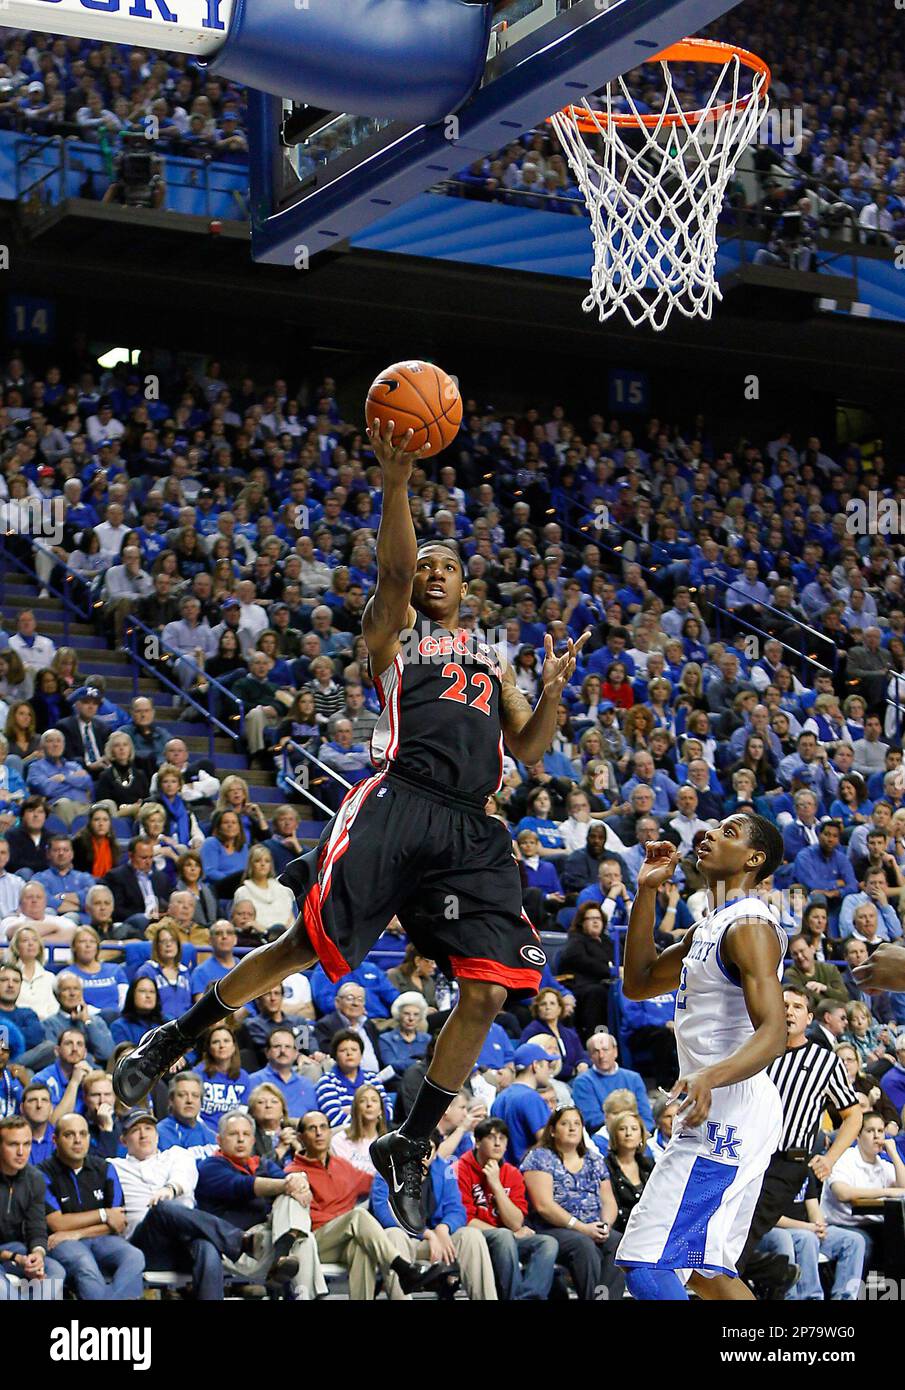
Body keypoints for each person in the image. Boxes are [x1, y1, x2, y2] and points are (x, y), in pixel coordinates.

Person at [114, 420, 588, 1236]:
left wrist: (549, 689)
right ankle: (178, 1033)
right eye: (427, 566)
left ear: (467, 586)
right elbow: (395, 568)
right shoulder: (395, 633)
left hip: (474, 830)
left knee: (487, 991)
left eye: (448, 567)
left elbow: (531, 749)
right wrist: (397, 484)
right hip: (398, 801)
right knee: (304, 944)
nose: (433, 573)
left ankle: (408, 1139)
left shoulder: (490, 655)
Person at [614, 812, 787, 1301]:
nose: (709, 834)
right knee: (704, 1272)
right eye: (712, 828)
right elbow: (640, 981)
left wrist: (710, 1075)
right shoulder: (710, 926)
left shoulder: (750, 926)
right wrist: (646, 891)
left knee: (647, 1262)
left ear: (753, 860)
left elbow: (774, 1033)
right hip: (722, 1103)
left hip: (727, 1108)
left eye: (729, 832)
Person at [283, 1110, 448, 1298]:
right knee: (358, 1216)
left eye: (323, 1127)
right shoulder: (294, 1173)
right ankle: (404, 1269)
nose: (319, 1133)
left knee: (361, 1248)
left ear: (330, 1132)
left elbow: (381, 1181)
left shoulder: (343, 1167)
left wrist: (403, 1167)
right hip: (313, 1241)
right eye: (312, 1129)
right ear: (301, 1137)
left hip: (346, 1239)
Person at [110, 1108, 251, 1301]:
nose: (143, 1134)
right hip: (145, 1246)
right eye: (135, 1130)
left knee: (206, 1246)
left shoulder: (177, 1155)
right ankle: (238, 1240)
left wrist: (170, 1189)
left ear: (157, 1135)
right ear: (123, 1140)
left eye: (149, 1128)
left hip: (185, 1243)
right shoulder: (114, 1166)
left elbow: (184, 1176)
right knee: (162, 1208)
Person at [195, 1110, 321, 1299]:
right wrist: (291, 1183)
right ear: (219, 1140)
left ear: (253, 1141)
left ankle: (285, 1260)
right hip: (237, 1248)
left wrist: (300, 1182)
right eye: (233, 1134)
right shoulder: (210, 1167)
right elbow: (244, 1186)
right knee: (291, 1199)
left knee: (298, 1222)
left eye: (245, 1134)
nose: (240, 1140)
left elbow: (296, 1189)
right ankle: (288, 1270)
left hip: (268, 1241)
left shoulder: (262, 1164)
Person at [372, 1129, 498, 1300]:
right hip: (406, 1242)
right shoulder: (388, 1170)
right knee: (393, 1235)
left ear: (437, 1152)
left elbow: (457, 1209)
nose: (422, 1154)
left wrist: (444, 1228)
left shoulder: (443, 1170)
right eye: (417, 1147)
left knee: (471, 1236)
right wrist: (425, 1234)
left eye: (428, 1148)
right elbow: (384, 1213)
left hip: (439, 1243)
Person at [521, 1104, 625, 1300]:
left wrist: (604, 1226)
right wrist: (582, 1228)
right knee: (583, 1244)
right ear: (552, 1130)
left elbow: (608, 1200)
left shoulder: (594, 1159)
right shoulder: (540, 1157)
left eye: (577, 1123)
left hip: (592, 1228)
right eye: (565, 1123)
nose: (572, 1128)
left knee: (617, 1242)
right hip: (552, 1229)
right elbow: (544, 1205)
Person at [39, 1111, 146, 1299]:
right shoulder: (42, 1173)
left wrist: (77, 1232)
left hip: (96, 1239)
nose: (77, 1140)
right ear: (55, 1140)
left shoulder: (105, 1168)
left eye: (82, 1134)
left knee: (134, 1256)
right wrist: (104, 1214)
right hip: (60, 1243)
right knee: (84, 1263)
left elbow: (119, 1223)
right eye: (69, 1135)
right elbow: (57, 1224)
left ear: (89, 1137)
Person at [820, 1111, 905, 1266]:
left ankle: (894, 1288)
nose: (876, 1136)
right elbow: (842, 1192)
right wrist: (886, 1192)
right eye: (870, 1131)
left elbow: (903, 1188)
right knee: (864, 1243)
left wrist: (894, 1154)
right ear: (858, 1136)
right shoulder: (844, 1159)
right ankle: (855, 1289)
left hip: (876, 1225)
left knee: (899, 1241)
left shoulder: (883, 1164)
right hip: (842, 1226)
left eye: (880, 1131)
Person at [0, 1114, 66, 1299]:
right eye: (13, 1145)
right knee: (3, 1289)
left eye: (27, 1144)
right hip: (9, 1254)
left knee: (55, 1273)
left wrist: (37, 1254)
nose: (21, 1152)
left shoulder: (34, 1178)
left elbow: (36, 1227)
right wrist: (14, 1258)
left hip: (17, 1249)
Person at [571, 1031, 653, 1132]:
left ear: (615, 1051)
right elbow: (592, 1120)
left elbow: (647, 1118)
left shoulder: (634, 1078)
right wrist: (625, 1130)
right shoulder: (583, 1082)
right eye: (596, 1051)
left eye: (605, 1050)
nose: (601, 1055)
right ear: (590, 1056)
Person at [490, 1043, 553, 1165]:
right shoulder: (531, 1098)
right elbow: (547, 1142)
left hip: (504, 1175)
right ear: (535, 1065)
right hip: (528, 1175)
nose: (549, 1070)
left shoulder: (500, 1098)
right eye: (547, 1065)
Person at [315, 1030, 392, 1127]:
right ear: (335, 1056)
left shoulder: (372, 1079)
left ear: (361, 1054)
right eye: (343, 1050)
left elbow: (388, 1112)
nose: (349, 1054)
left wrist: (351, 1111)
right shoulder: (327, 1081)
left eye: (354, 1050)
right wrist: (370, 1117)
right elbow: (334, 1119)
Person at [518, 986, 585, 1081]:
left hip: (574, 1078)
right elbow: (529, 1059)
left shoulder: (568, 1033)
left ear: (560, 1008)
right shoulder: (532, 1031)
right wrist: (571, 1071)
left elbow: (581, 1054)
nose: (547, 1007)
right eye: (543, 1004)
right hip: (547, 1080)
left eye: (552, 1003)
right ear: (537, 1009)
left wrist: (582, 1063)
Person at [247, 1028, 317, 1118]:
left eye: (288, 1047)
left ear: (296, 1053)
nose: (283, 1051)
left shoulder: (307, 1084)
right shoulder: (253, 1081)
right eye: (277, 1046)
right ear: (267, 1052)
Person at [194, 1026, 252, 1128]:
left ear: (234, 1046)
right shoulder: (197, 1074)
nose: (222, 1046)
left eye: (226, 1041)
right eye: (216, 1042)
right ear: (209, 1048)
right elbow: (194, 1113)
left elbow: (241, 1114)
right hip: (202, 1132)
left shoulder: (243, 1077)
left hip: (231, 1133)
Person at [157, 1072, 218, 1162]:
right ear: (171, 1100)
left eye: (195, 1096)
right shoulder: (159, 1134)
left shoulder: (210, 1135)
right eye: (182, 1095)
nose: (189, 1100)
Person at [330, 1084, 387, 1174]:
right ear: (355, 1109)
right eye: (362, 1101)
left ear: (381, 1110)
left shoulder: (386, 1144)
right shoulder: (340, 1140)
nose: (369, 1104)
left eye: (374, 1100)